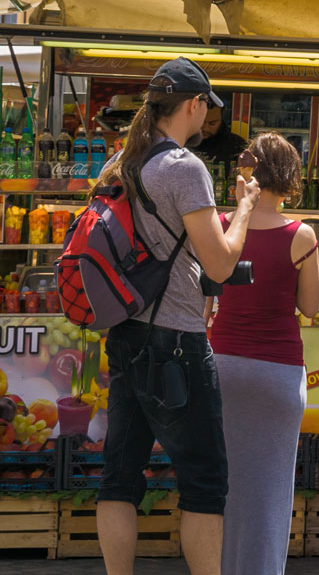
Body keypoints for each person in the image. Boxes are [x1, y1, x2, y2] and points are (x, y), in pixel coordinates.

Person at [97, 59, 262, 575]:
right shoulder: (185, 168)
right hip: (176, 341)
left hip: (126, 332)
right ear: (193, 105)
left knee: (119, 477)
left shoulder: (124, 163)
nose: (206, 117)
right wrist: (246, 209)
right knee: (205, 480)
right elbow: (219, 261)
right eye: (205, 107)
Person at [209, 134, 319, 575]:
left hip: (224, 368)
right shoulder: (302, 234)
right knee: (271, 495)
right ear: (290, 176)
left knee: (224, 489)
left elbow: (205, 300)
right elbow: (310, 307)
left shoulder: (222, 225)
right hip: (279, 376)